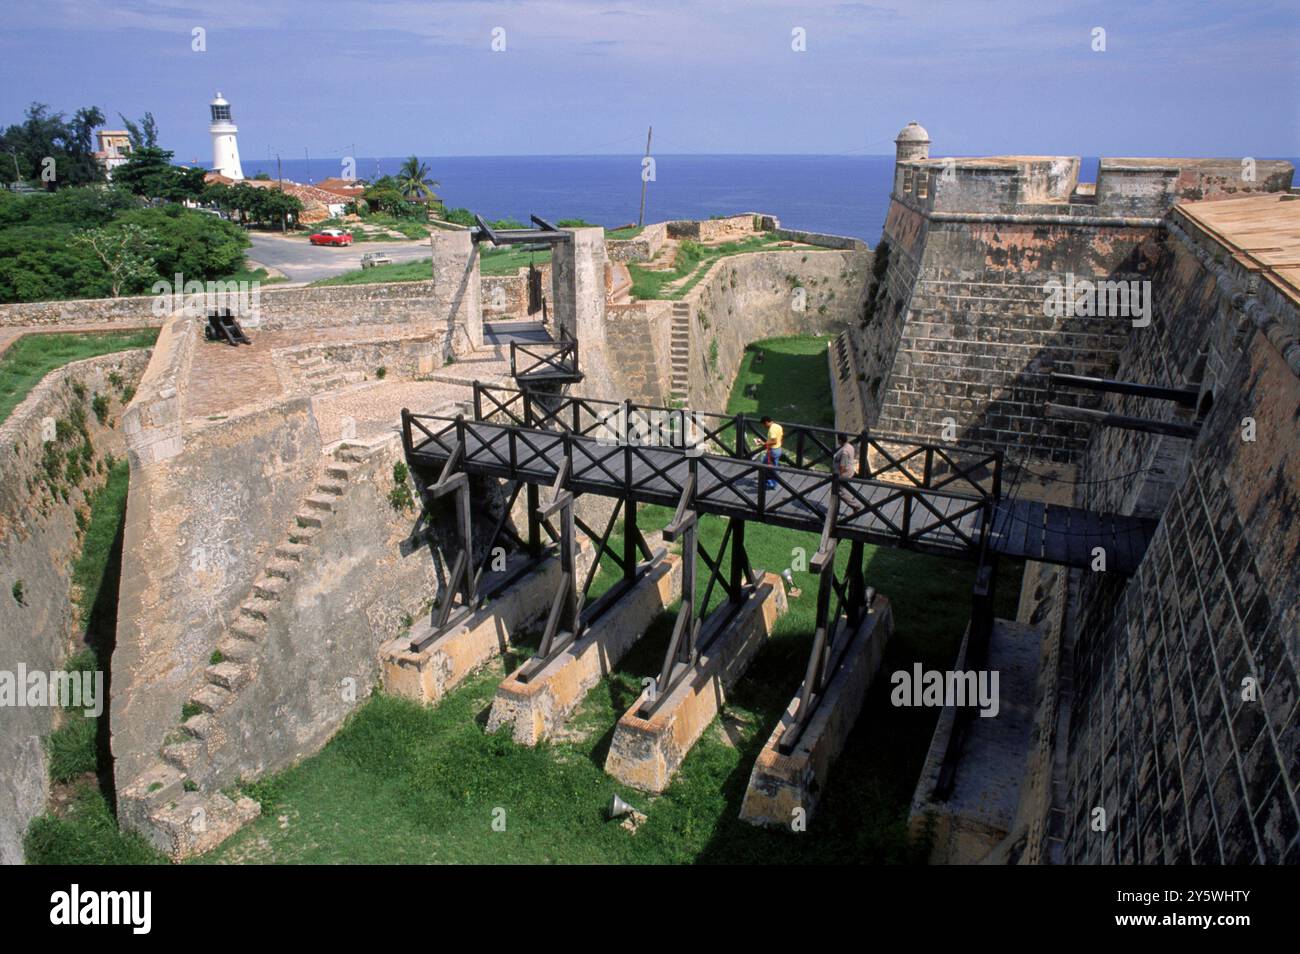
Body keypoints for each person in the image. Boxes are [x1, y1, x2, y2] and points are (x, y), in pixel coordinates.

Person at [833, 433, 862, 517]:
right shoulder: (850, 446)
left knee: (839, 491)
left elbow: (842, 466)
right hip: (850, 471)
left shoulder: (844, 452)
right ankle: (836, 508)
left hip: (844, 474)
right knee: (838, 490)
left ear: (840, 440)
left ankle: (855, 506)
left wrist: (838, 475)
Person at [754, 416, 784, 489]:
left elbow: (774, 441)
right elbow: (780, 437)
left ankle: (772, 484)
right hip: (778, 449)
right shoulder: (778, 426)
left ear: (767, 422)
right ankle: (767, 480)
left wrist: (762, 443)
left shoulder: (771, 430)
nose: (764, 426)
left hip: (773, 451)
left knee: (769, 468)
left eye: (764, 425)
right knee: (767, 465)